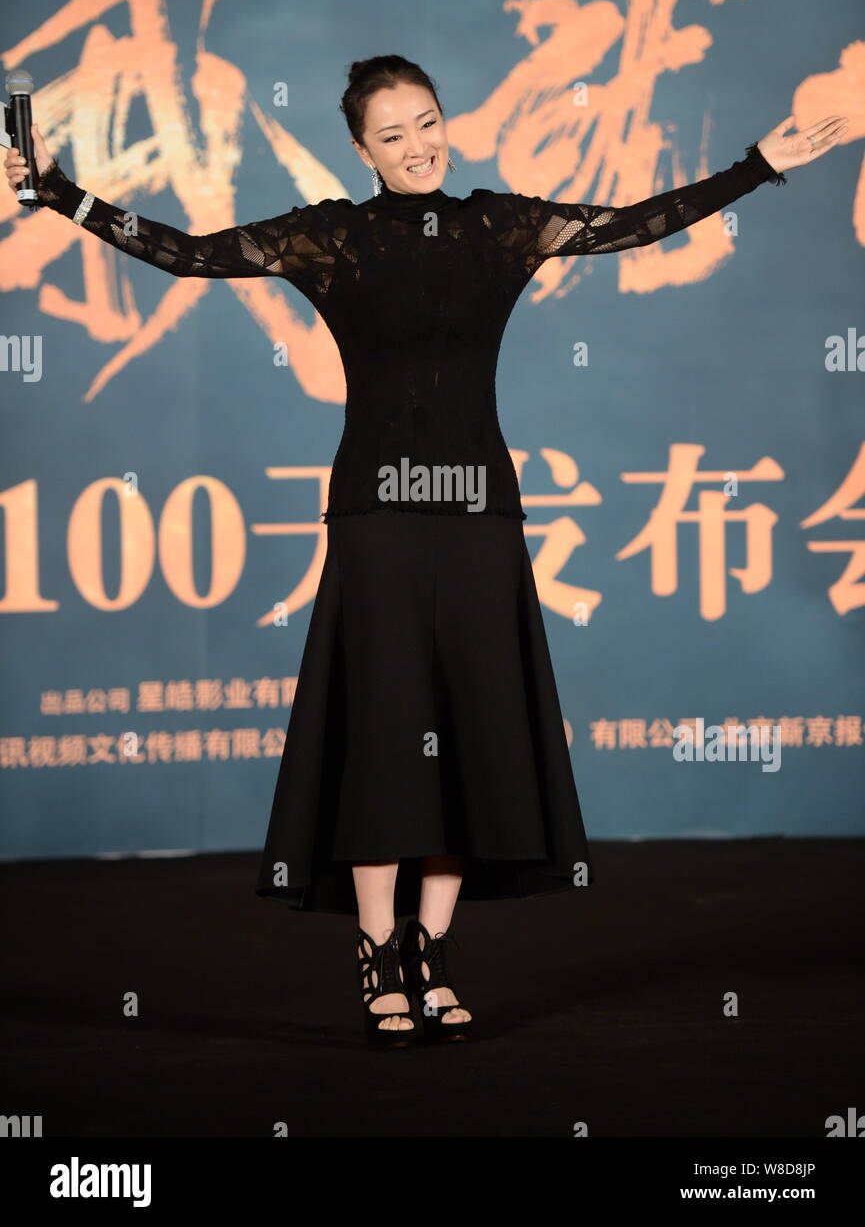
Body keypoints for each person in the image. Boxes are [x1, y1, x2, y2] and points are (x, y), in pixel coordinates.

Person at [5, 58, 847, 1049]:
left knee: (471, 733)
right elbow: (187, 253)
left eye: (428, 122)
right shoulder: (331, 237)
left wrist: (755, 167)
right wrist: (58, 192)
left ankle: (430, 951)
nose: (417, 145)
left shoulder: (499, 225)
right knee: (386, 733)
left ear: (447, 123)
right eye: (392, 134)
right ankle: (376, 950)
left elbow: (630, 222)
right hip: (376, 517)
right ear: (360, 151)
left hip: (482, 511)